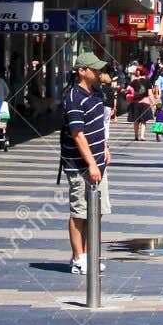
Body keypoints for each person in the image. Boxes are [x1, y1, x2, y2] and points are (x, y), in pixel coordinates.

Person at [59, 49, 109, 276]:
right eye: (95, 68)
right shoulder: (74, 97)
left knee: (96, 212)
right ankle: (79, 258)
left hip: (99, 164)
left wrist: (106, 147)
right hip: (81, 165)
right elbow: (78, 134)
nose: (100, 72)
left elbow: (99, 125)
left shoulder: (96, 93)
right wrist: (90, 163)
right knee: (80, 212)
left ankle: (89, 255)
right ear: (82, 71)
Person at [130, 69, 153, 141]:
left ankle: (136, 136)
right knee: (143, 120)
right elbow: (150, 93)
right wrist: (153, 102)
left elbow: (130, 92)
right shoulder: (148, 81)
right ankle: (142, 136)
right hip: (145, 102)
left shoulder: (134, 81)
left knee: (136, 120)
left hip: (135, 102)